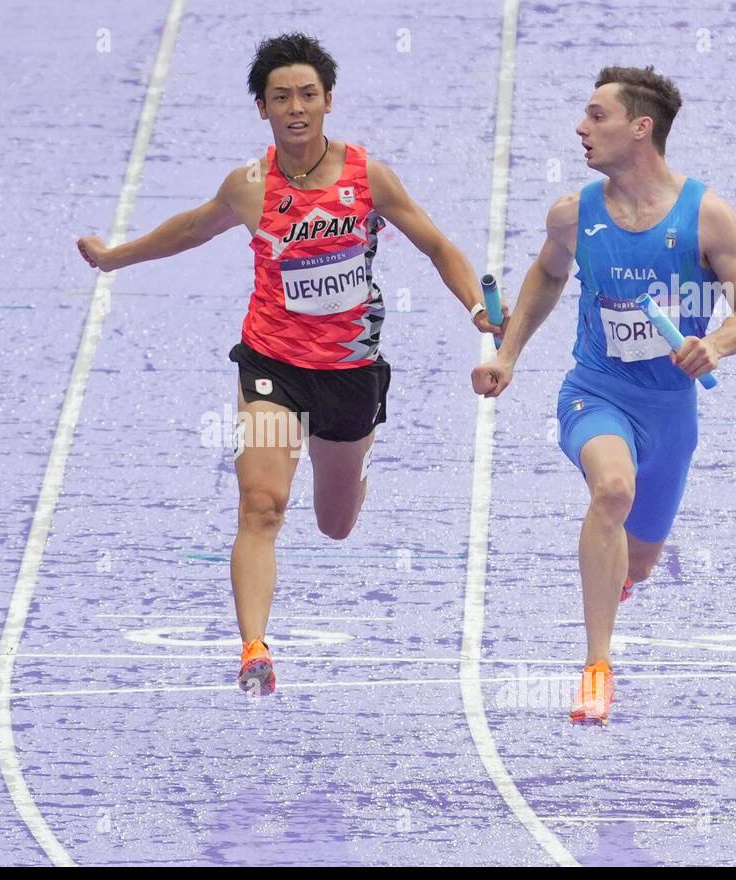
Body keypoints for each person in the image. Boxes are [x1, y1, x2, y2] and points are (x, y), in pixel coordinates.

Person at [77, 34, 492, 696]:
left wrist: (477, 308)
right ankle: (254, 649)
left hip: (351, 374)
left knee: (335, 522)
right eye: (280, 98)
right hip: (273, 368)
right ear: (263, 110)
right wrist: (113, 257)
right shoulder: (248, 187)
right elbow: (189, 230)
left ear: (327, 101)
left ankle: (354, 473)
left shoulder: (368, 178)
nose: (295, 108)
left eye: (306, 95)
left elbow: (438, 245)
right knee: (262, 502)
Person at [473, 66, 736, 724]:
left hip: (671, 415)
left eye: (597, 116)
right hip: (596, 393)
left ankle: (623, 582)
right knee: (612, 490)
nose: (581, 129)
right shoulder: (574, 214)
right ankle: (597, 669)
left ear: (641, 128)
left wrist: (716, 343)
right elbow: (548, 276)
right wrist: (507, 354)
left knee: (639, 562)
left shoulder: (708, 217)